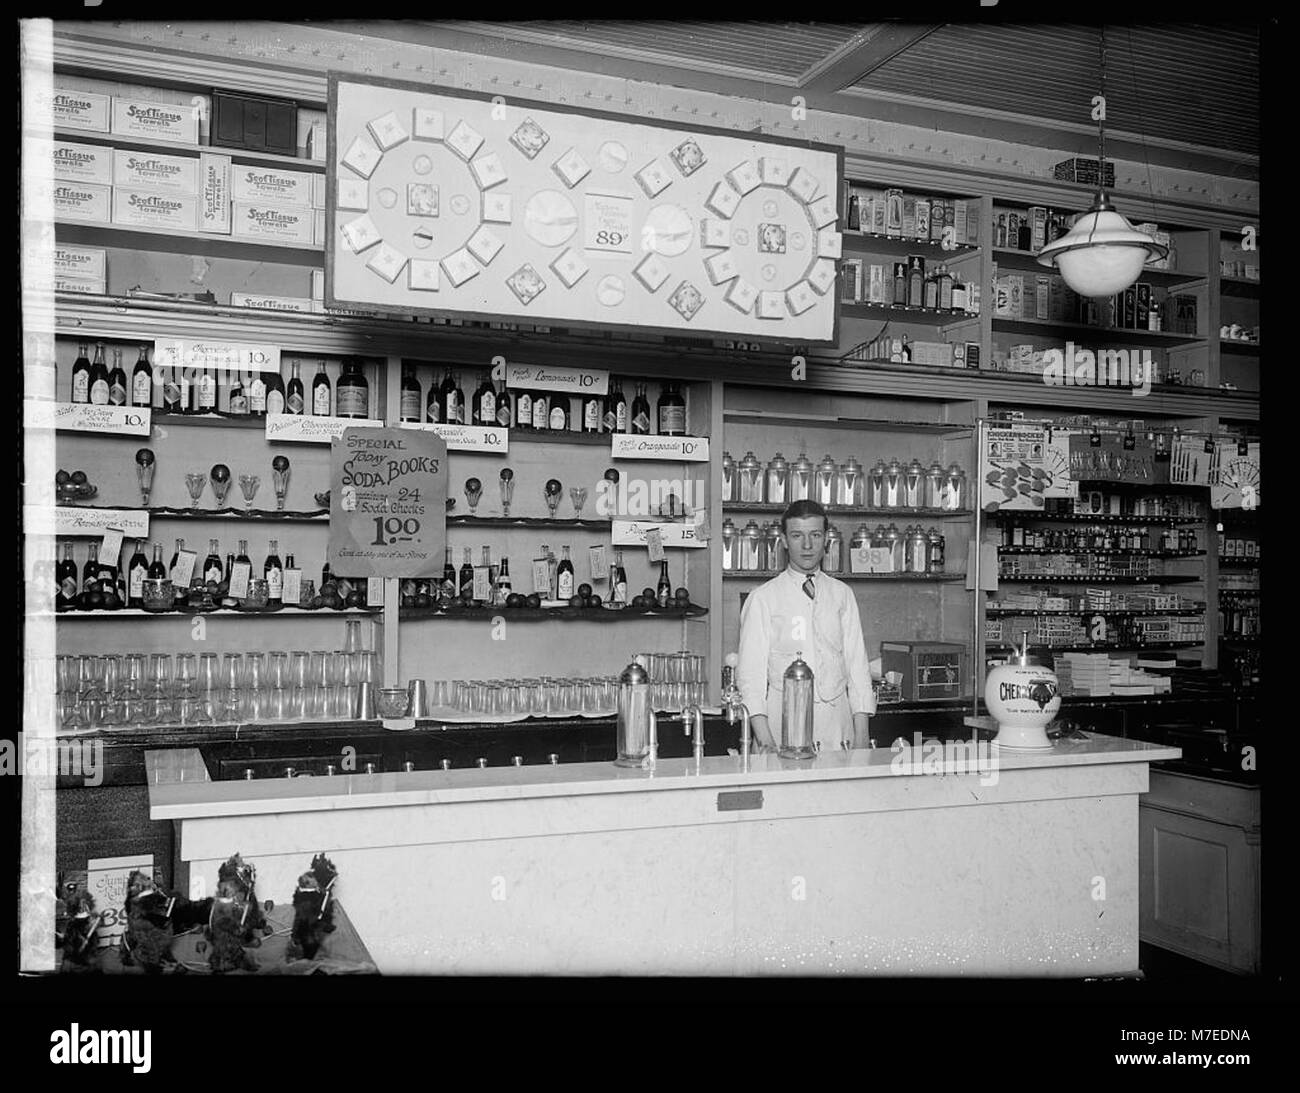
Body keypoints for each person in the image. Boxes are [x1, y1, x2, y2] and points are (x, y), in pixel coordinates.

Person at [736, 499, 875, 753]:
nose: (807, 545)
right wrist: (766, 741)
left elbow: (857, 668)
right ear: (785, 541)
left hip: (837, 728)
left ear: (826, 539)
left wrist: (862, 736)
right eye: (798, 535)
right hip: (780, 728)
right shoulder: (763, 598)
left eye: (815, 535)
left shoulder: (842, 594)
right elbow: (750, 679)